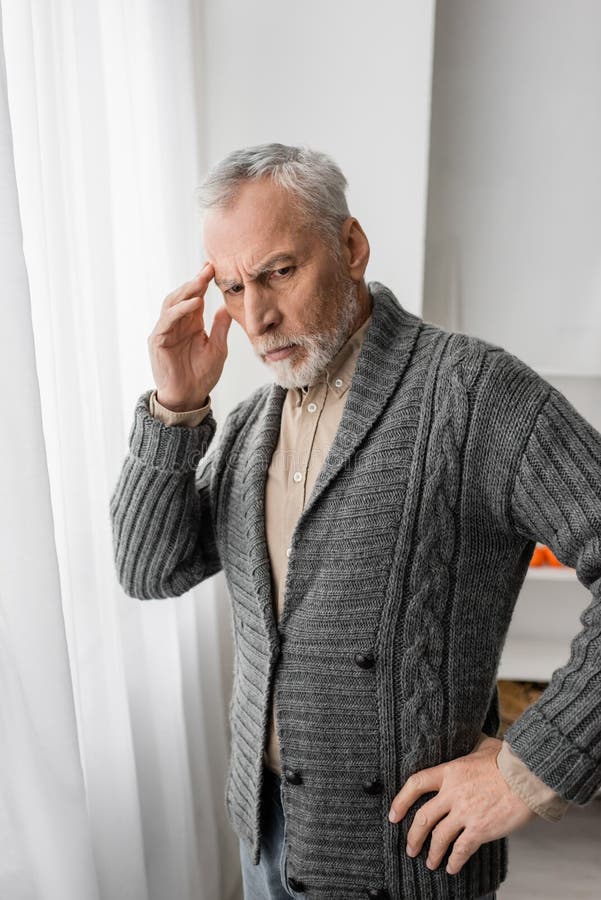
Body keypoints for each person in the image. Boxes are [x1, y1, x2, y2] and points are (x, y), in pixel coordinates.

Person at [110, 143, 601, 900]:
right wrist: (175, 407)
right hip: (266, 838)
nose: (256, 316)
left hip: (407, 866)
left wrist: (528, 767)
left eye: (277, 272)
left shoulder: (473, 394)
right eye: (233, 288)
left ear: (350, 245)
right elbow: (151, 570)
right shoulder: (247, 429)